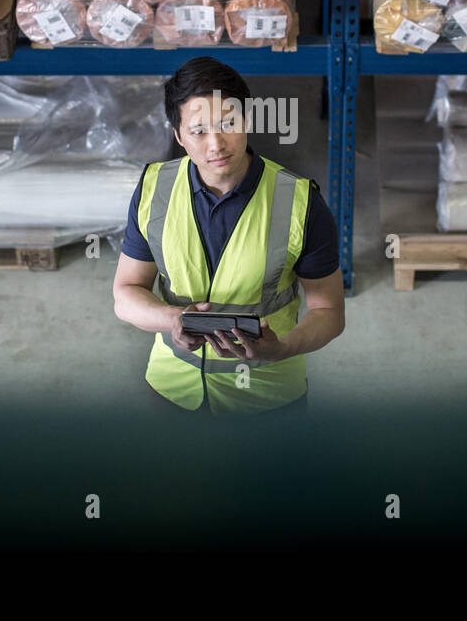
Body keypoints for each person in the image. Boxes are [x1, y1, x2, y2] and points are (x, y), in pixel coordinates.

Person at [112, 57, 345, 416]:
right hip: (172, 391)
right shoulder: (154, 189)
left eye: (228, 124)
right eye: (199, 131)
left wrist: (280, 349)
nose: (216, 144)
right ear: (178, 136)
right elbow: (126, 294)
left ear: (248, 120)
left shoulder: (299, 202)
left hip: (266, 396)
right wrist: (172, 319)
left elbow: (329, 312)